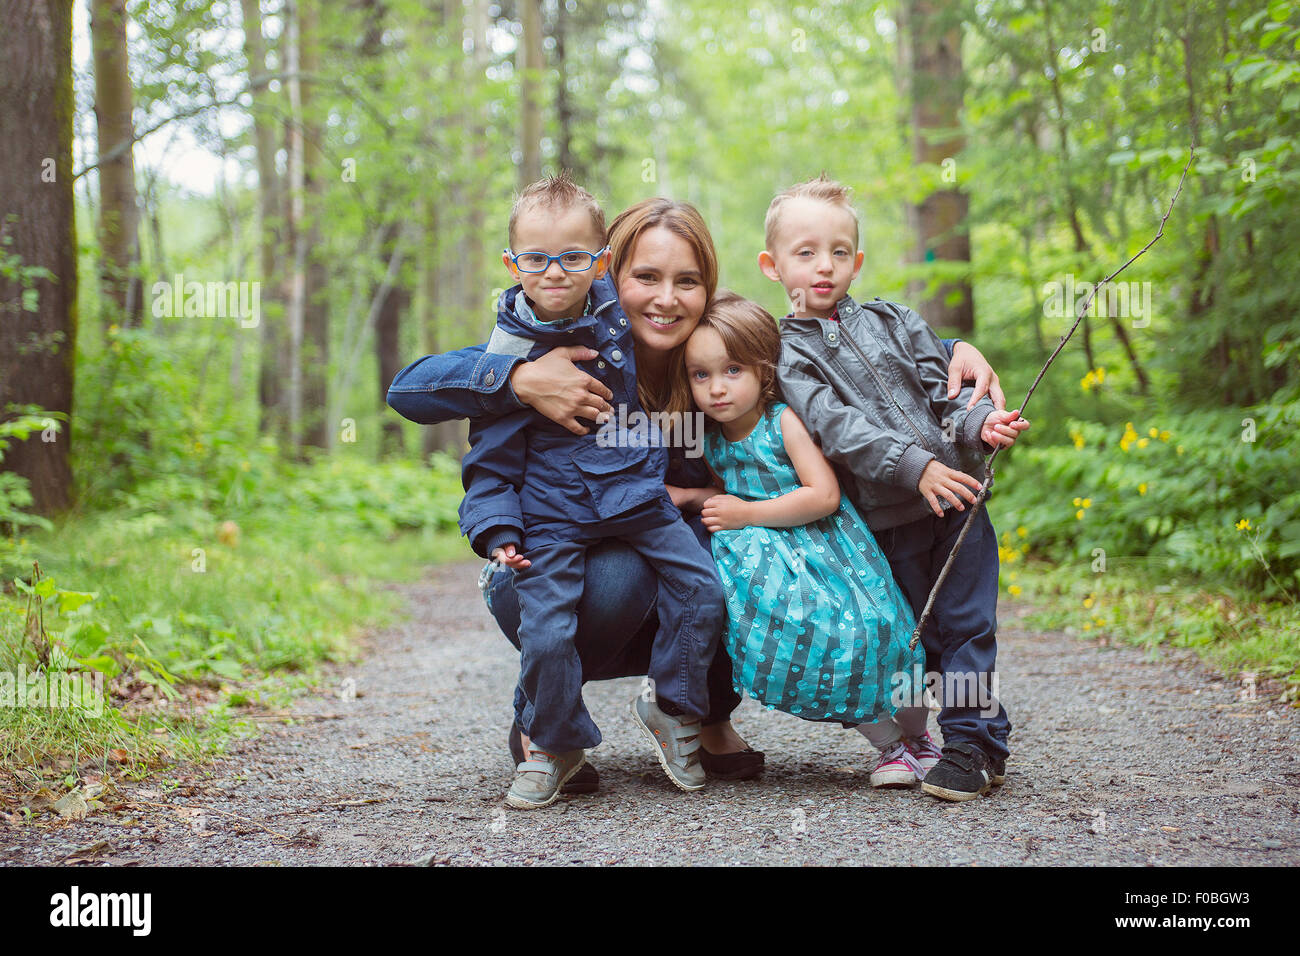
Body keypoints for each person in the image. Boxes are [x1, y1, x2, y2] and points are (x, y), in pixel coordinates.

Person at [387, 192, 1004, 794]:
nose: (665, 298)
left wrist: (952, 352)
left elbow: (823, 354)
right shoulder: (563, 344)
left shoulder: (710, 354)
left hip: (654, 532)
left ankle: (706, 713)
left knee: (726, 550)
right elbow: (410, 389)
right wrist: (518, 377)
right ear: (610, 271)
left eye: (687, 280)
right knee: (632, 574)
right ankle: (545, 715)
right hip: (544, 555)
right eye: (646, 276)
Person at [459, 172, 725, 808]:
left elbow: (785, 342)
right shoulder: (530, 352)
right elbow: (472, 444)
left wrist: (942, 348)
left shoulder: (625, 324)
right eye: (537, 258)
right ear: (513, 263)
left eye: (574, 258)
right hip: (551, 520)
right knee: (556, 624)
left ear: (598, 264)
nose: (556, 272)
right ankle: (551, 736)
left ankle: (682, 708)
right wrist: (513, 376)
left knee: (708, 584)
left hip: (637, 503)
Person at [765, 175, 1030, 801]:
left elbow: (945, 394)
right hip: (890, 520)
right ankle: (986, 732)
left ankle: (966, 746)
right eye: (804, 252)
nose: (823, 266)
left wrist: (980, 423)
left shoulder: (899, 321)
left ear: (857, 261)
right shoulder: (788, 357)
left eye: (837, 251)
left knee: (967, 625)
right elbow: (839, 427)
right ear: (772, 266)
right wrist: (915, 467)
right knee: (925, 639)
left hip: (958, 501)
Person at [679, 291, 938, 788]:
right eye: (701, 375)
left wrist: (747, 514)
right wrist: (693, 495)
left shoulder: (783, 421)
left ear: (763, 371)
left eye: (732, 370)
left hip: (828, 550)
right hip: (775, 566)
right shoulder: (709, 436)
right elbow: (727, 489)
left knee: (876, 633)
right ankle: (889, 748)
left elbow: (823, 495)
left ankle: (919, 737)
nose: (716, 389)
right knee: (819, 641)